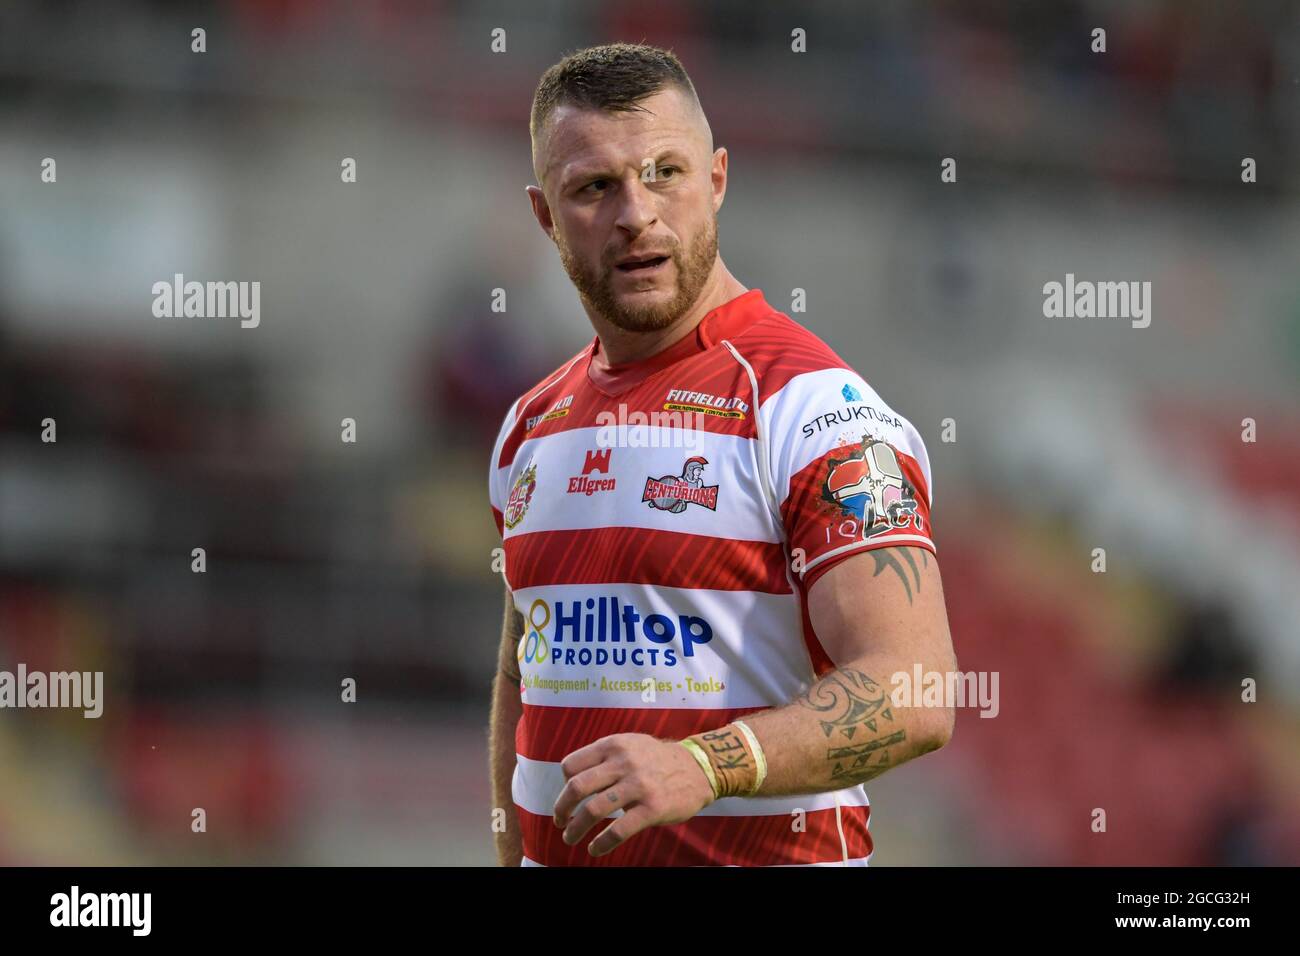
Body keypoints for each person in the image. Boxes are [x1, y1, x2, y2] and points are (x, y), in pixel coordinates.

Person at [487, 42, 957, 866]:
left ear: (718, 180)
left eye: (665, 171)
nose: (637, 213)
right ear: (545, 217)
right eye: (595, 186)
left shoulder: (817, 411)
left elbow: (916, 694)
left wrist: (706, 764)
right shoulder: (531, 424)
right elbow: (521, 679)